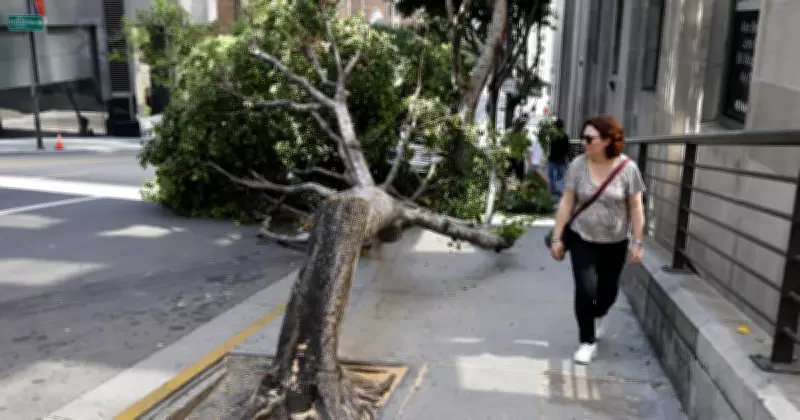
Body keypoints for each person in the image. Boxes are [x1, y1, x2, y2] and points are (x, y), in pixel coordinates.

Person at [549, 115, 646, 365]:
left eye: (590, 138)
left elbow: (636, 207)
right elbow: (567, 201)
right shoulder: (578, 165)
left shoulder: (627, 169)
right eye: (583, 137)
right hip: (583, 237)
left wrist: (637, 241)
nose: (584, 142)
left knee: (608, 292)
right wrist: (557, 236)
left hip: (615, 242)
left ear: (606, 140)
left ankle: (599, 313)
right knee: (585, 289)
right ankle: (587, 342)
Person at [547, 118, 570, 201]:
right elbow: (567, 150)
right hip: (561, 159)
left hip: (552, 158)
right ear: (562, 126)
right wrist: (567, 159)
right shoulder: (565, 136)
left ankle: (552, 192)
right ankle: (559, 191)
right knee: (560, 177)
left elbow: (549, 147)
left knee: (550, 176)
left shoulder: (552, 136)